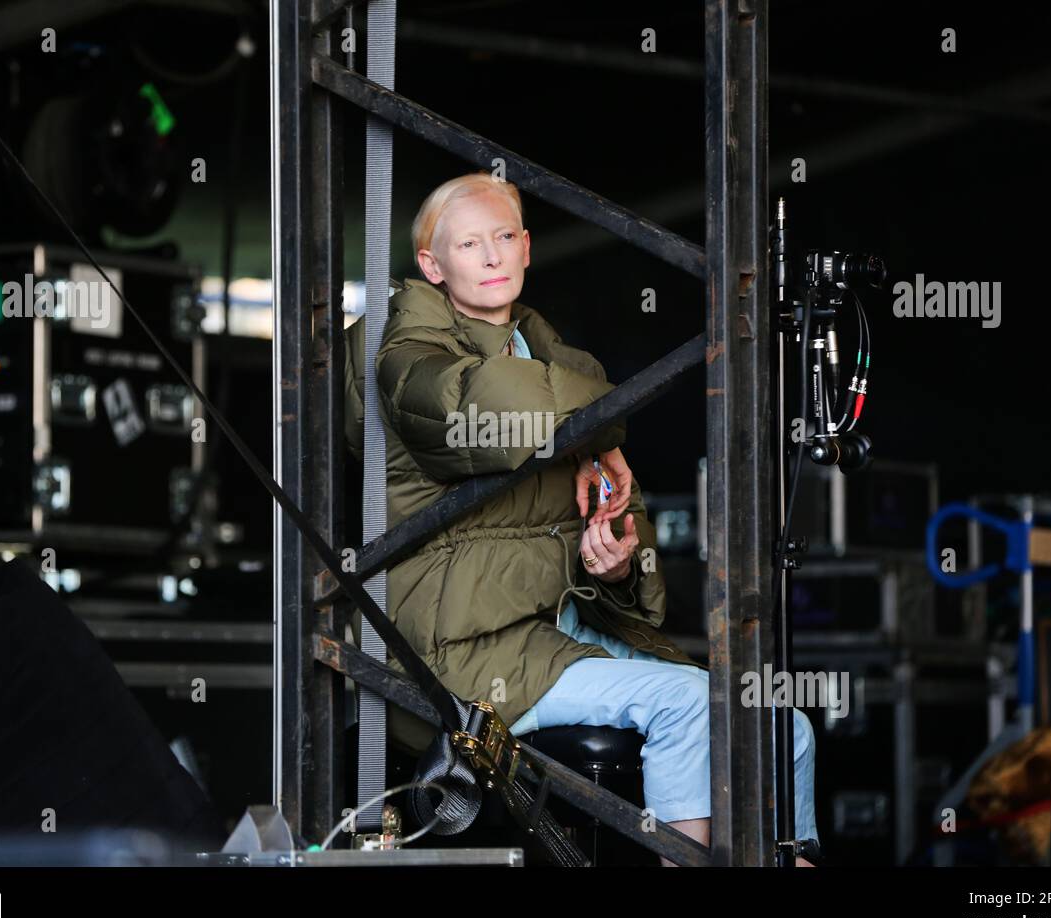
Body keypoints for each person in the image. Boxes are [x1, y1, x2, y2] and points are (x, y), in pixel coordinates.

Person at [345, 170, 819, 866]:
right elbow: (493, 406)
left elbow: (622, 535)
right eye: (468, 243)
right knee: (689, 707)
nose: (491, 255)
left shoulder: (557, 359)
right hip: (465, 652)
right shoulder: (398, 351)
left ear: (528, 247)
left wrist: (617, 565)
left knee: (784, 726)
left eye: (504, 236)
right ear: (431, 265)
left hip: (557, 633)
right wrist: (603, 426)